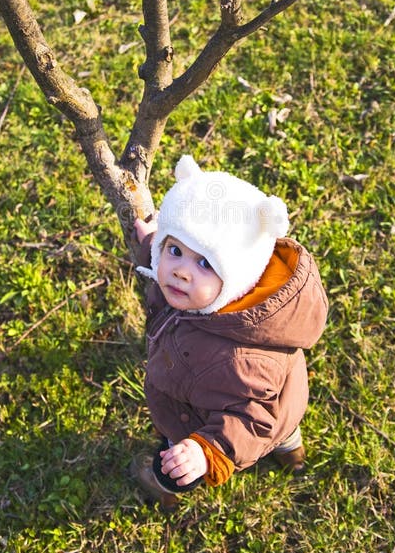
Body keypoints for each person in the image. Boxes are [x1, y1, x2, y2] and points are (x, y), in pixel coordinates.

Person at [130, 154, 328, 508]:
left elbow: (253, 419)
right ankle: (291, 454)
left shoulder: (243, 361)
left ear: (237, 274)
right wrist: (153, 246)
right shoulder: (208, 292)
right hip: (279, 403)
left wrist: (204, 450)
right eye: (174, 249)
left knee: (179, 461)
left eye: (205, 262)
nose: (180, 271)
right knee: (286, 431)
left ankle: (164, 488)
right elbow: (178, 253)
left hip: (210, 421)